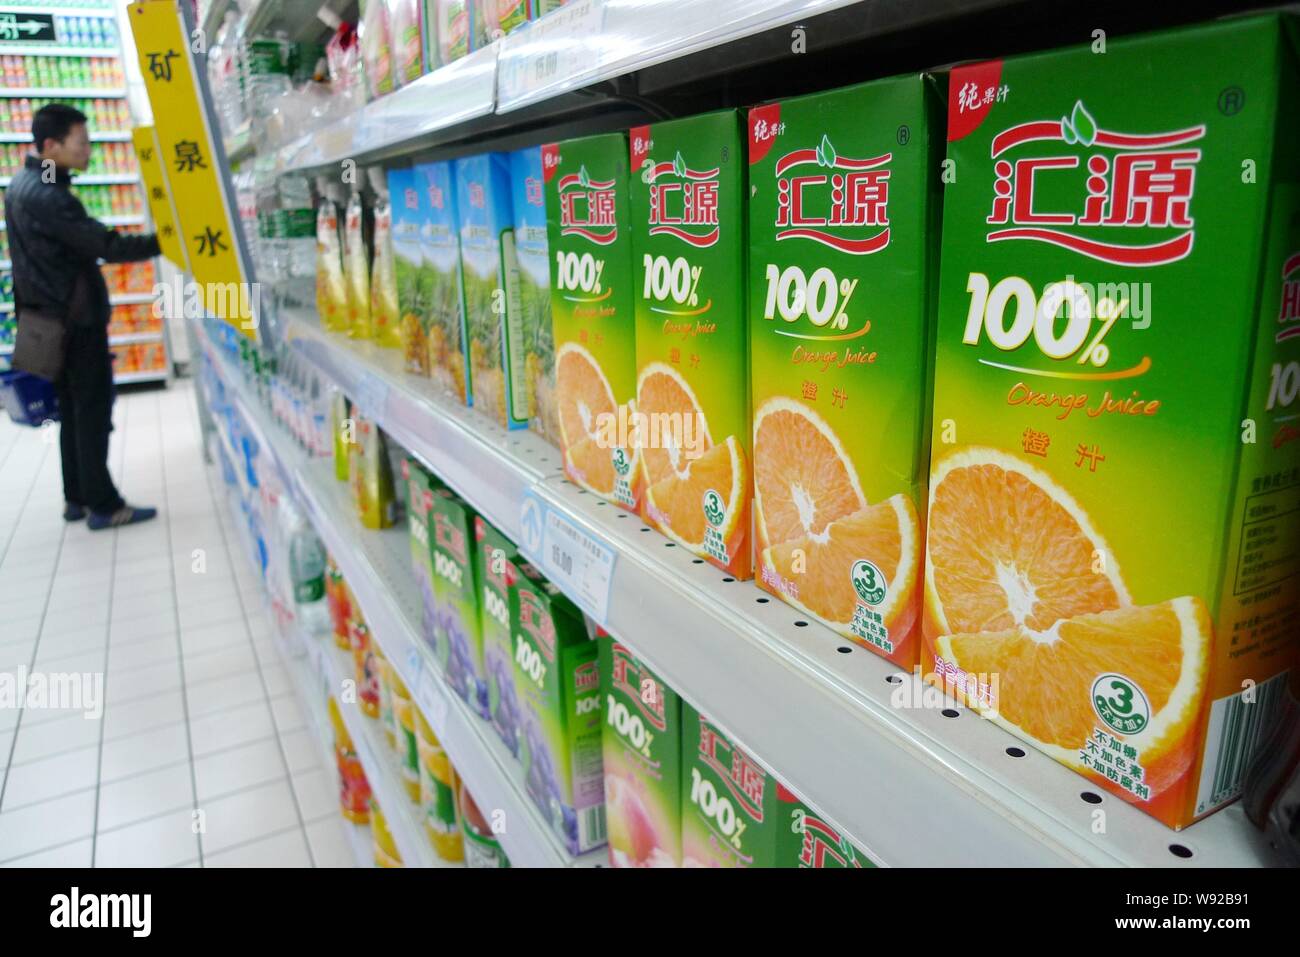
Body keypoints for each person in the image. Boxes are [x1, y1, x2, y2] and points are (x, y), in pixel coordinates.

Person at [5, 104, 161, 530]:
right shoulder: (47, 195)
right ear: (52, 146)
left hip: (49, 321)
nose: (89, 151)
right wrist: (164, 240)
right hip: (74, 321)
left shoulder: (26, 183)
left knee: (72, 410)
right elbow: (104, 244)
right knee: (91, 411)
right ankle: (104, 506)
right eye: (82, 142)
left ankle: (75, 497)